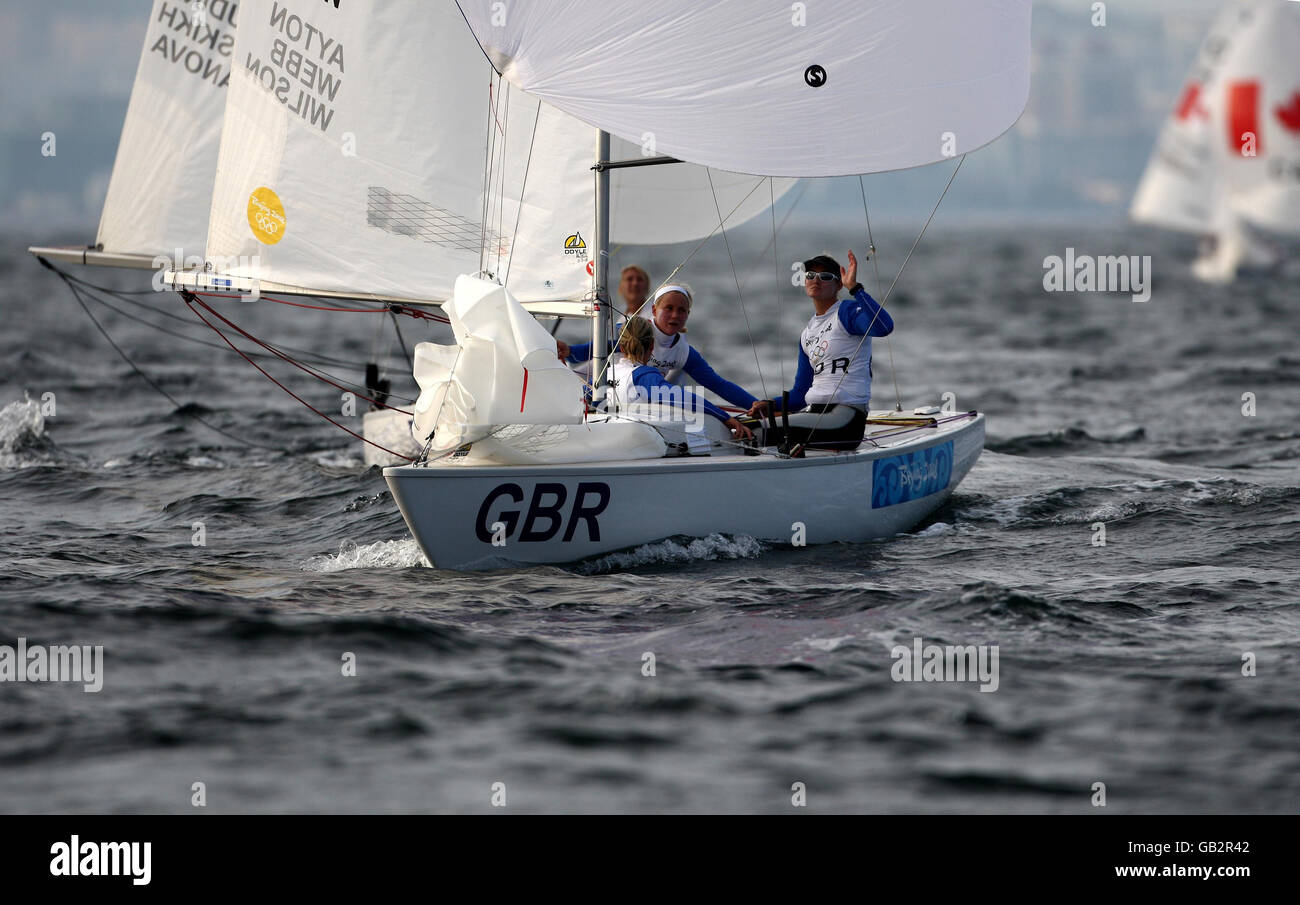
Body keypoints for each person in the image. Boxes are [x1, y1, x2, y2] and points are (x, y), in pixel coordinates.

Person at [747, 250, 893, 453]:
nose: (816, 280)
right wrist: (769, 404)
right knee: (742, 428)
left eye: (825, 277)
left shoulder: (846, 313)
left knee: (752, 432)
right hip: (814, 414)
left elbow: (884, 327)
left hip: (846, 420)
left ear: (838, 285)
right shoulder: (806, 334)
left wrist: (856, 289)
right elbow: (800, 395)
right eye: (810, 275)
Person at [561, 283, 760, 414]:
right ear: (655, 310)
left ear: (688, 314)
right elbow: (604, 346)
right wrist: (570, 351)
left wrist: (757, 407)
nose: (675, 315)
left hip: (647, 401)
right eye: (669, 309)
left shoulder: (684, 352)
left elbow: (718, 385)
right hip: (608, 391)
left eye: (682, 310)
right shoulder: (637, 331)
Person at [612, 318, 753, 442]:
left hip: (614, 438)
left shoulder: (607, 374)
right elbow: (685, 399)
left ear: (622, 347)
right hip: (640, 444)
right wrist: (726, 418)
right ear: (652, 346)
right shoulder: (645, 377)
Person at [556, 265, 649, 363]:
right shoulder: (622, 318)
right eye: (630, 279)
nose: (635, 283)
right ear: (621, 287)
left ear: (647, 286)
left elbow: (618, 345)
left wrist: (573, 351)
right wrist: (569, 352)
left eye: (640, 279)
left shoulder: (652, 316)